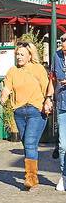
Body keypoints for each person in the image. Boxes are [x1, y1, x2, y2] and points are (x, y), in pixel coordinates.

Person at [2, 41, 51, 190]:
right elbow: (7, 87)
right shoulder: (12, 71)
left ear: (30, 55)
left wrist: (48, 101)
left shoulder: (38, 69)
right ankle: (32, 173)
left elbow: (47, 87)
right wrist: (3, 97)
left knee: (29, 143)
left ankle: (30, 178)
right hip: (19, 112)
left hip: (36, 111)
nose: (19, 57)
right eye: (17, 54)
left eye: (22, 54)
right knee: (27, 144)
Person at [47, 31, 66, 192]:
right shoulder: (57, 57)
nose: (63, 48)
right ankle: (64, 175)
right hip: (62, 104)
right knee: (63, 145)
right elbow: (52, 79)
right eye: (62, 44)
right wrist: (48, 98)